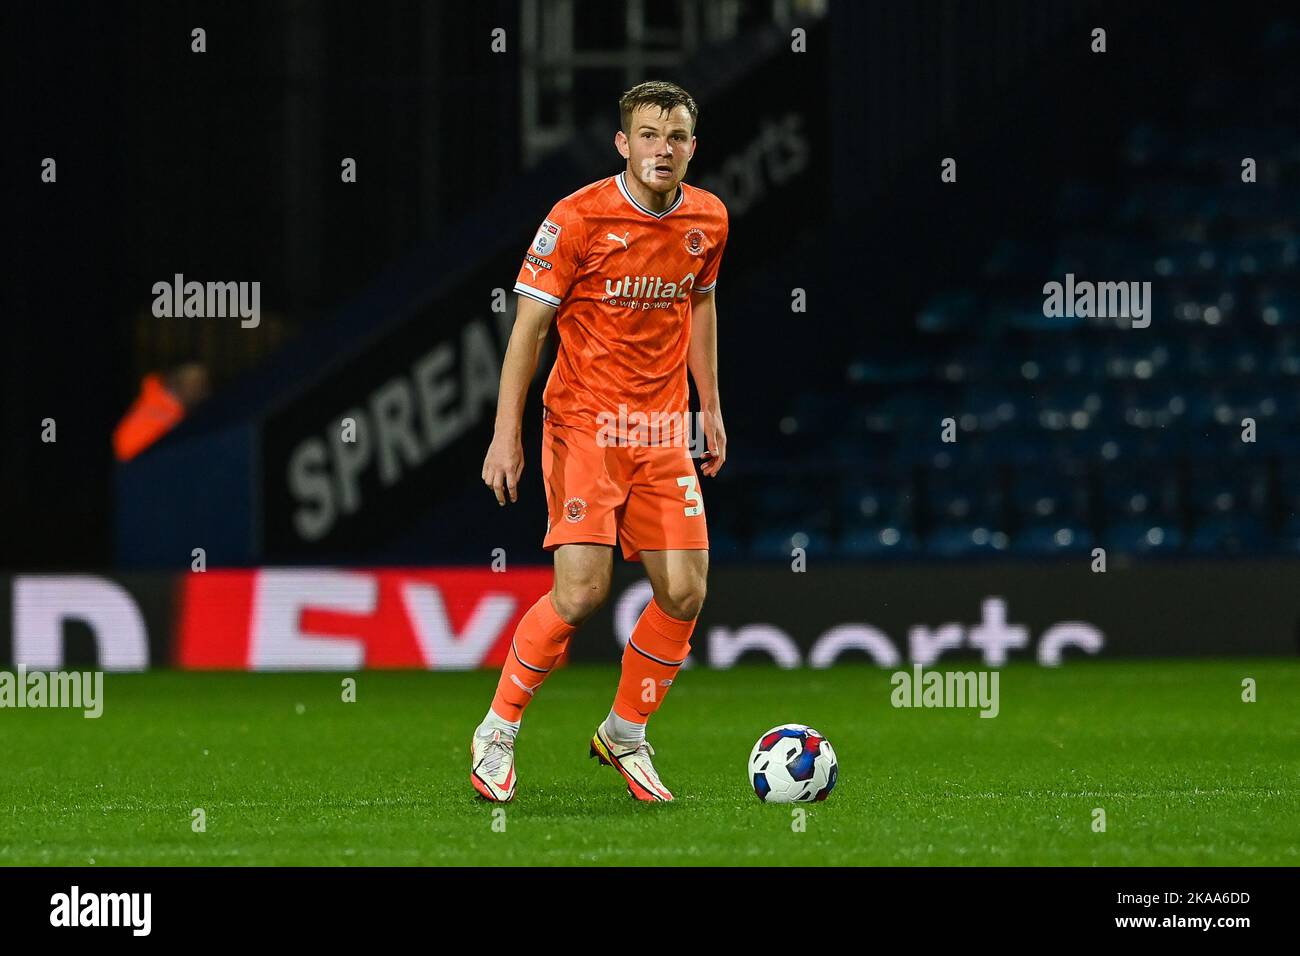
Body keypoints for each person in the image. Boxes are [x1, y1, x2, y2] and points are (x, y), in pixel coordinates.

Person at [472, 80, 729, 802]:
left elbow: (701, 304)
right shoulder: (576, 218)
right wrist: (505, 435)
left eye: (676, 137)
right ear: (624, 143)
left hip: (661, 429)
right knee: (582, 593)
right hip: (585, 424)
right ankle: (497, 728)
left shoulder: (708, 219)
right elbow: (529, 329)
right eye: (649, 135)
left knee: (684, 591)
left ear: (692, 148)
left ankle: (625, 732)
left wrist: (709, 407)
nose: (663, 149)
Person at [113, 362, 210, 461]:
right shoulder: (156, 415)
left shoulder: (177, 412)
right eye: (198, 386)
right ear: (176, 384)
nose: (204, 393)